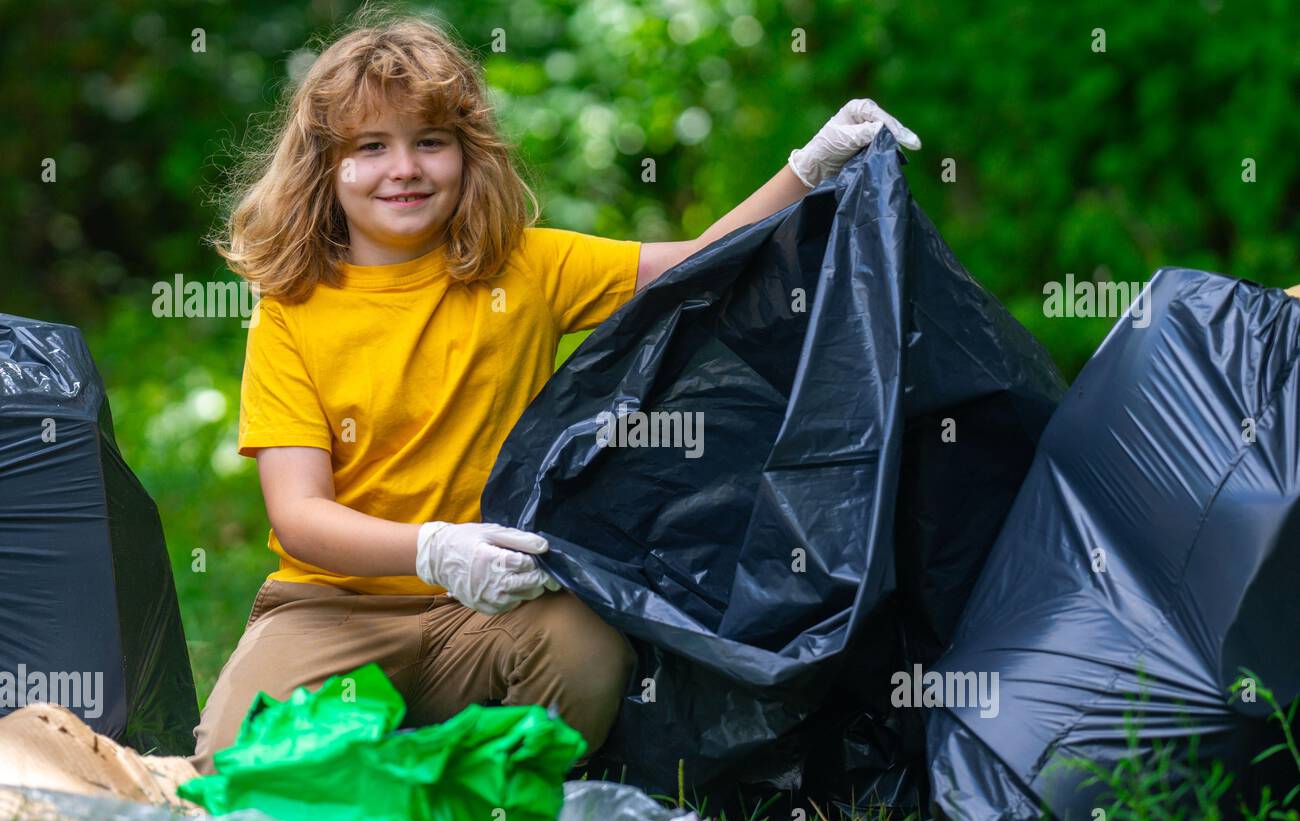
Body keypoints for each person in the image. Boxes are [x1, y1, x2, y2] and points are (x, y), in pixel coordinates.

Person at [189, 10, 921, 775]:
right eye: (371, 147)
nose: (403, 168)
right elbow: (300, 517)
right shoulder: (293, 309)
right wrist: (433, 548)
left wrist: (810, 165)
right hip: (333, 607)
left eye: (429, 142)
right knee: (234, 761)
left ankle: (506, 790)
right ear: (325, 168)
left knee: (588, 650)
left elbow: (704, 263)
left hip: (494, 605)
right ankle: (393, 762)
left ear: (469, 157)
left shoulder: (526, 267)